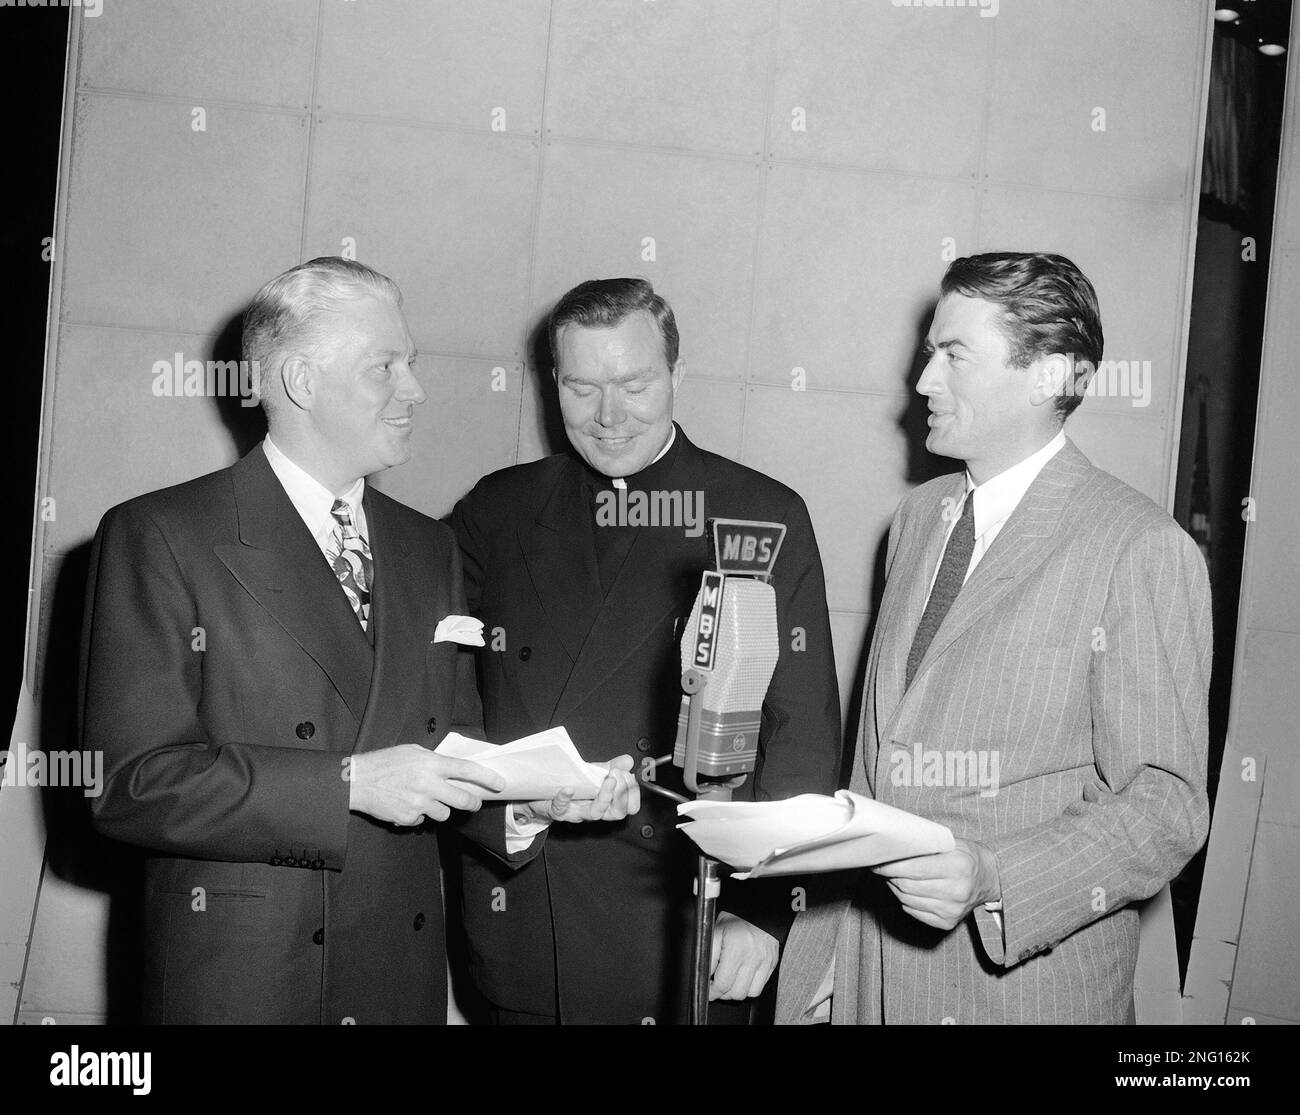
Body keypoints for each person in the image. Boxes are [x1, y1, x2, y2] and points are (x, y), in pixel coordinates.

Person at [80, 257, 636, 1024]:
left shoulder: (427, 547)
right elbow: (128, 784)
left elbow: (449, 748)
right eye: (386, 367)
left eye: (411, 363)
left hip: (394, 976)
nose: (415, 390)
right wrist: (346, 784)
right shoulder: (162, 535)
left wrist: (533, 800)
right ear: (302, 382)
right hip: (245, 982)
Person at [776, 251, 1212, 1024]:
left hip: (1017, 998)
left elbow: (1165, 805)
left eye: (954, 355)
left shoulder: (1138, 546)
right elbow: (881, 765)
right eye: (929, 353)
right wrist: (830, 958)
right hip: (873, 975)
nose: (923, 381)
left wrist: (992, 875)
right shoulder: (918, 518)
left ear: (1047, 376)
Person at [448, 277, 842, 1025]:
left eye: (634, 385)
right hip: (527, 918)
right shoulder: (496, 511)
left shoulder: (759, 514)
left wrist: (763, 911)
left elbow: (803, 736)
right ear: (552, 383)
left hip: (689, 923)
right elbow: (441, 708)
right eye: (581, 388)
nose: (609, 416)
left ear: (677, 375)